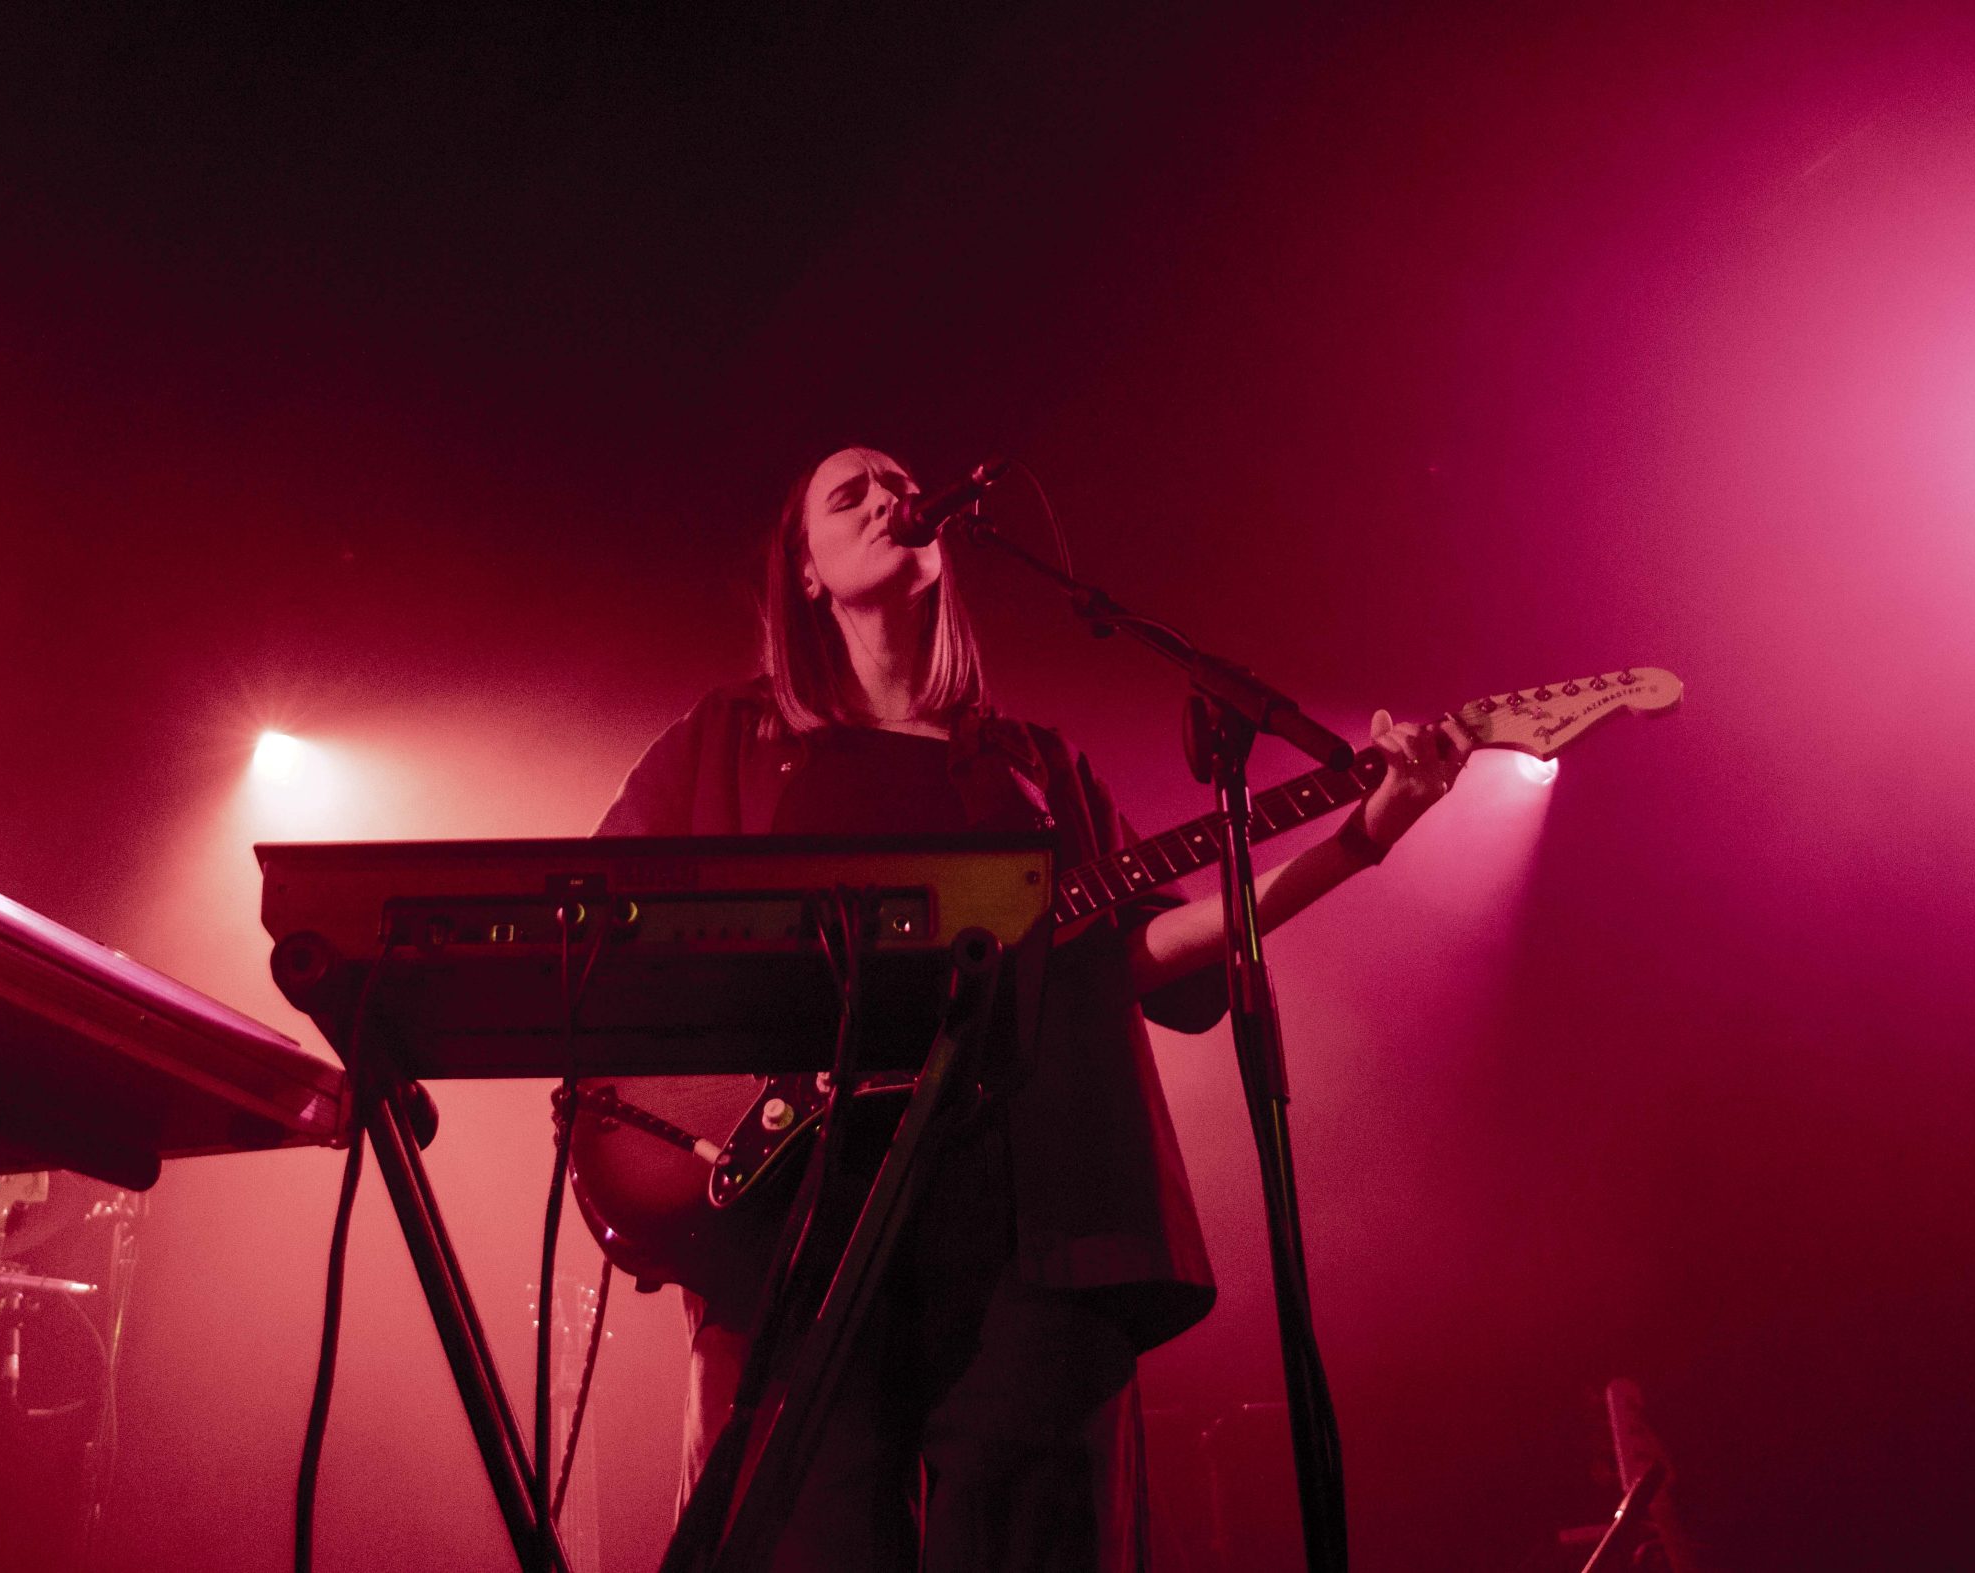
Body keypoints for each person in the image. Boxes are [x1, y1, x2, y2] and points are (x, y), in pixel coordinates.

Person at [594, 446, 1468, 1572]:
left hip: (1026, 1224)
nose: (883, 498)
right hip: (798, 1226)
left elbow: (1143, 950)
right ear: (803, 570)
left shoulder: (1032, 766)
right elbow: (606, 923)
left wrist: (1363, 837)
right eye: (844, 492)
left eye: (894, 482)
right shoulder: (727, 742)